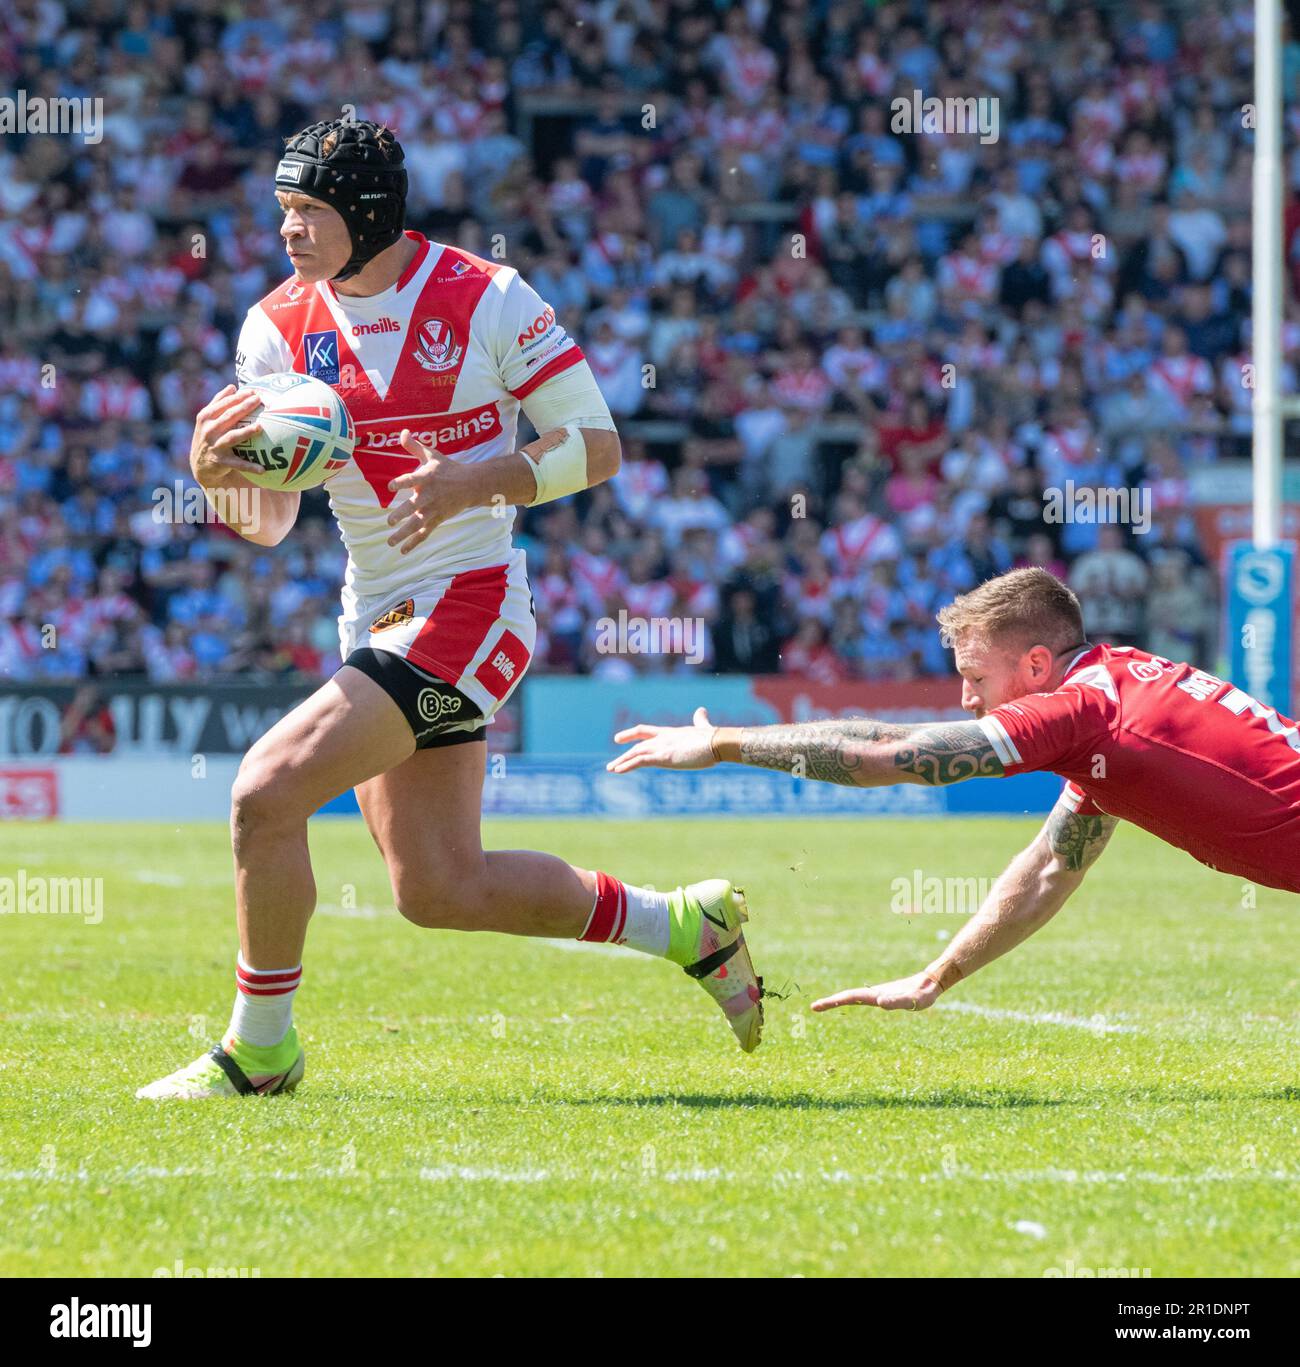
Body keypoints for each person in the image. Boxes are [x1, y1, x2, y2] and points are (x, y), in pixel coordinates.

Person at [137, 120, 763, 1101]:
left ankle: (259, 1050)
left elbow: (595, 445)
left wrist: (481, 479)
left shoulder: (485, 296)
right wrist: (214, 476)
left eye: (310, 211)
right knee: (438, 887)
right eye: (284, 211)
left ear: (371, 212)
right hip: (377, 616)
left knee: (265, 790)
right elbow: (268, 524)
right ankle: (686, 924)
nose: (289, 230)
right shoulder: (273, 327)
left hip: (472, 604)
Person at [608, 566, 1300, 1016]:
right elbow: (1051, 867)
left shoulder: (1084, 709)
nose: (967, 699)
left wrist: (729, 743)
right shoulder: (1108, 704)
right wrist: (939, 974)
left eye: (976, 676)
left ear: (1035, 664)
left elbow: (890, 753)